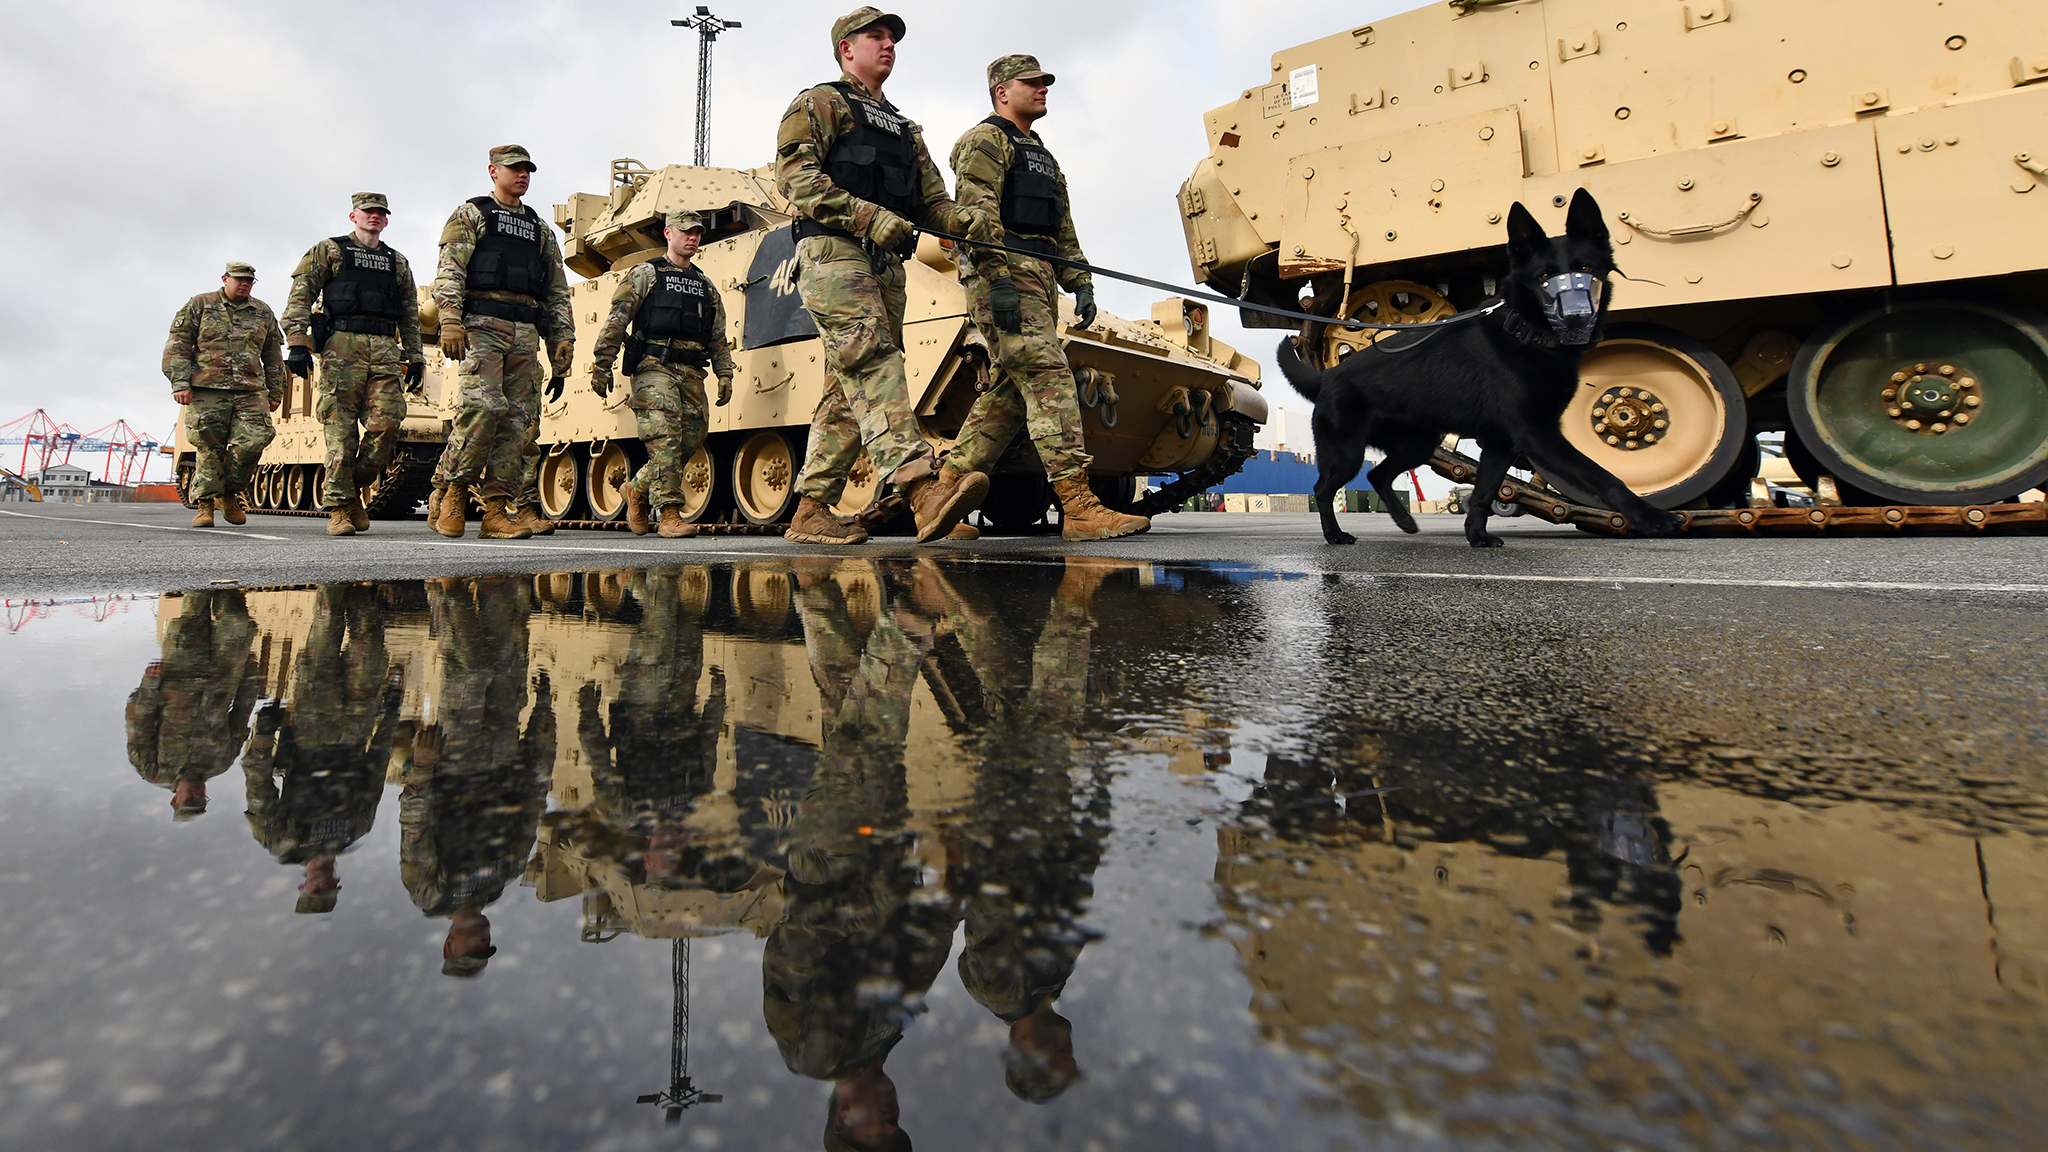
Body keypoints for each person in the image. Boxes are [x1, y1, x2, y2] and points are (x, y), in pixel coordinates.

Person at [775, 7, 1000, 546]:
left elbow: (933, 204)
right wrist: (873, 218)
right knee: (874, 360)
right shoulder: (819, 103)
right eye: (875, 36)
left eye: (892, 38)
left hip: (885, 263)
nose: (888, 45)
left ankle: (810, 510)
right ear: (845, 49)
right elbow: (797, 180)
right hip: (835, 250)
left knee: (848, 387)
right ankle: (923, 491)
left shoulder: (904, 128)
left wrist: (971, 224)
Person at [947, 57, 1147, 542]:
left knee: (1010, 397)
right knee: (1048, 375)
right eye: (1031, 83)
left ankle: (943, 495)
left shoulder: (1042, 155)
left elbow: (1062, 228)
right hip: (1005, 277)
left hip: (1036, 278)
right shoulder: (984, 141)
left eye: (1045, 84)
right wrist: (995, 279)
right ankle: (1078, 508)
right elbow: (976, 217)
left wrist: (1080, 281)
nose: (1043, 90)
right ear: (1001, 91)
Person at [400, 577, 555, 976]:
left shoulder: (430, 893)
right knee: (506, 663)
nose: (483, 940)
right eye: (487, 945)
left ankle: (447, 594)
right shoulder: (503, 876)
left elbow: (414, 827)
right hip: (502, 756)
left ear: (450, 946)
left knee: (469, 668)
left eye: (474, 946)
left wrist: (422, 767)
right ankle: (495, 583)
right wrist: (542, 732)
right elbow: (530, 805)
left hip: (456, 762)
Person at [429, 145, 574, 541]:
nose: (522, 175)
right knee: (481, 409)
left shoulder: (540, 229)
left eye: (527, 169)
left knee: (517, 423)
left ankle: (496, 512)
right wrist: (450, 321)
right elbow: (450, 270)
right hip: (482, 325)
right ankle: (454, 492)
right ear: (493, 171)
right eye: (514, 169)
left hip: (525, 331)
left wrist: (562, 338)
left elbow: (556, 290)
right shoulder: (472, 214)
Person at [241, 584, 401, 914]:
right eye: (330, 887)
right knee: (369, 641)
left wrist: (262, 736)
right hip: (356, 731)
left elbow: (258, 784)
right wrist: (390, 718)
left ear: (304, 885)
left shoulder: (280, 840)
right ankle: (364, 584)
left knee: (326, 629)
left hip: (310, 730)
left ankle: (335, 574)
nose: (325, 882)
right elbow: (376, 769)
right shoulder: (356, 830)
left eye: (317, 888)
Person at [282, 193, 427, 537]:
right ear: (353, 216)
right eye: (368, 212)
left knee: (388, 425)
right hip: (340, 346)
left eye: (380, 213)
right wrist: (297, 343)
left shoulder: (397, 262)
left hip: (384, 348)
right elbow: (300, 296)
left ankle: (351, 485)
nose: (374, 217)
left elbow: (409, 313)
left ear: (387, 220)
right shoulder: (329, 251)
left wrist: (416, 355)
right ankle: (341, 508)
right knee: (340, 432)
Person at [588, 211, 735, 538]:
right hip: (653, 366)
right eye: (686, 232)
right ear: (668, 233)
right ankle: (668, 514)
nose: (693, 237)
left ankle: (637, 490)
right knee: (664, 437)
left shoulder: (704, 285)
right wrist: (601, 363)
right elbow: (616, 320)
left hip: (691, 371)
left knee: (693, 437)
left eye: (697, 232)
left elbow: (717, 335)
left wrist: (725, 373)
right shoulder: (645, 275)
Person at [163, 262, 285, 528]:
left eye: (250, 281)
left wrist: (276, 392)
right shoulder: (200, 305)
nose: (245, 284)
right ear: (225, 279)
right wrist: (180, 383)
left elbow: (273, 356)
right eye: (239, 279)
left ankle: (228, 493)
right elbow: (178, 346)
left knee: (255, 441)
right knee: (209, 447)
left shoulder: (262, 311)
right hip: (208, 390)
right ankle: (206, 506)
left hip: (250, 390)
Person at [126, 589, 263, 821]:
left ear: (175, 799)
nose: (197, 792)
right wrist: (250, 675)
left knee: (194, 611)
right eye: (201, 797)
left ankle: (201, 565)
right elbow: (241, 715)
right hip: (224, 674)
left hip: (181, 672)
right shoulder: (221, 763)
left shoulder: (152, 769)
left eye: (189, 798)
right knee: (238, 623)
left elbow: (139, 722)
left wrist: (150, 685)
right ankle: (229, 580)